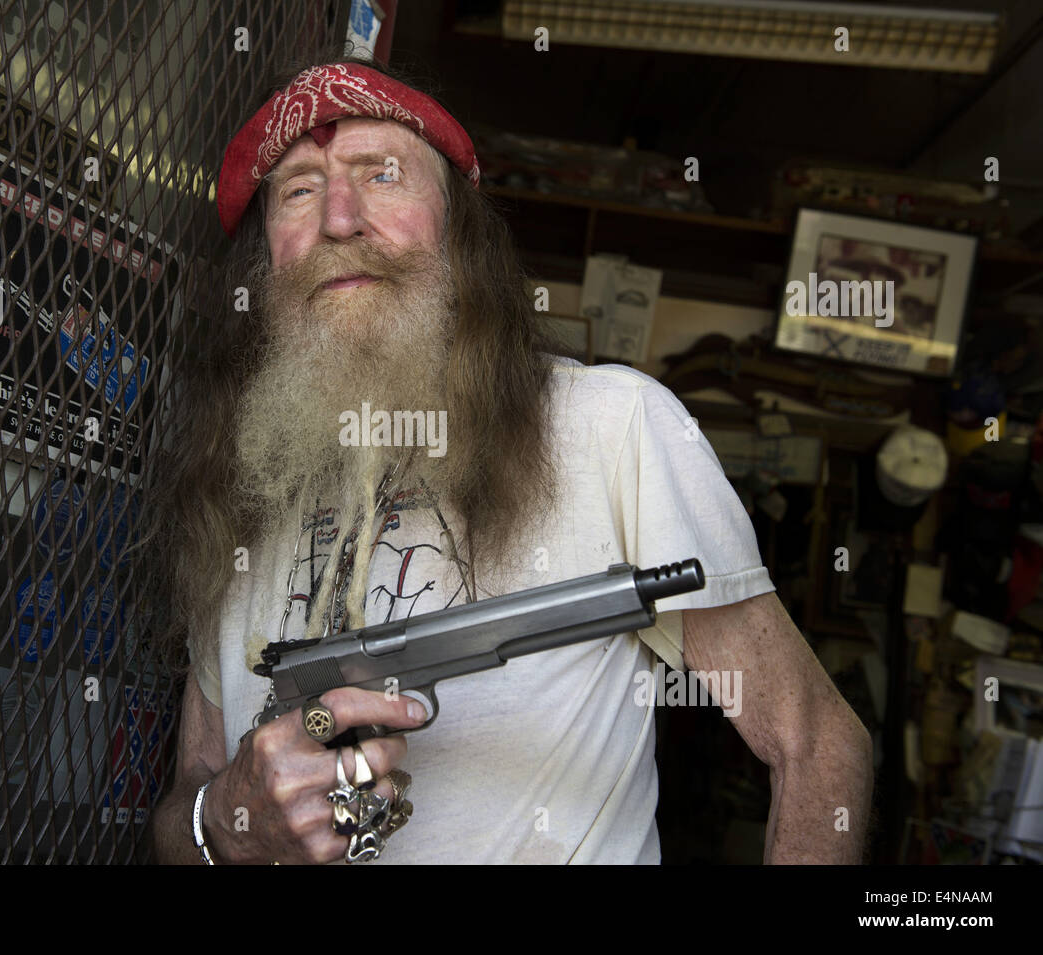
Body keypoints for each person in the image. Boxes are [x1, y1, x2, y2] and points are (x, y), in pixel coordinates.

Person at [148, 55, 872, 864]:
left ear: (459, 229)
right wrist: (226, 820)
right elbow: (188, 796)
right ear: (266, 260)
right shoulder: (242, 483)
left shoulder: (610, 424)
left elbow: (818, 743)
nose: (340, 218)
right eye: (299, 189)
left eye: (380, 174)